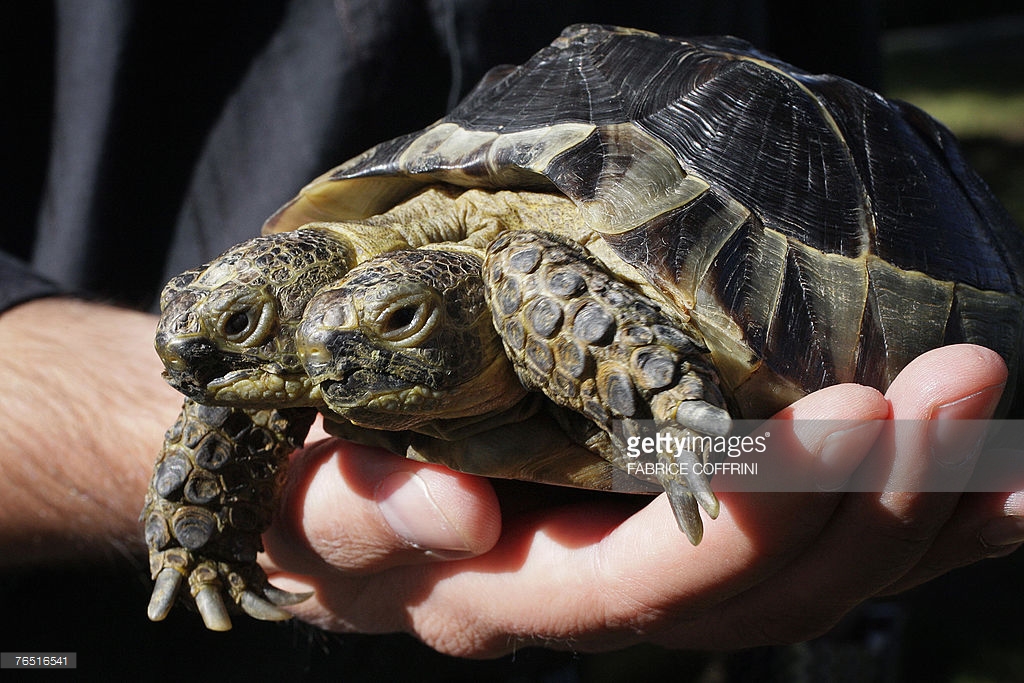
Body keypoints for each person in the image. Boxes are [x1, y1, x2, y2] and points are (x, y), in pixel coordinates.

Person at [2, 1, 1020, 678]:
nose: (329, 359)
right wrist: (195, 504)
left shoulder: (525, 271)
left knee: (946, 456)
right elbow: (240, 376)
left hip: (786, 171)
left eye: (396, 323)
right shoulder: (328, 302)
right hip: (114, 640)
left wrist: (673, 420)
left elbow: (532, 274)